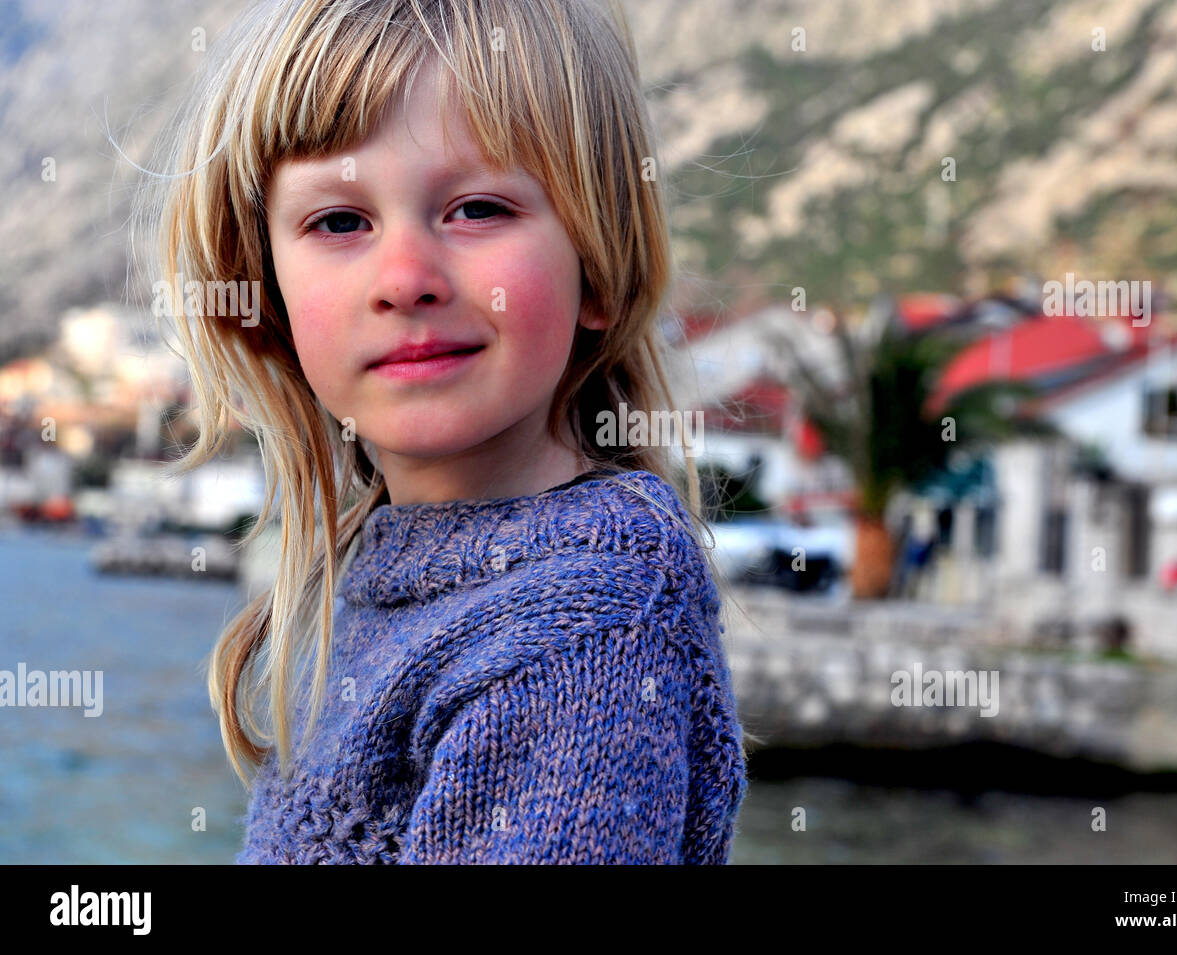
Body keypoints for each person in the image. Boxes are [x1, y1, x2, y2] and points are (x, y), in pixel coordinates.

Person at [130, 0, 748, 864]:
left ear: (597, 264)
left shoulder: (578, 633)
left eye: (478, 208)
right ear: (269, 296)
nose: (406, 278)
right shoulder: (387, 573)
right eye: (339, 221)